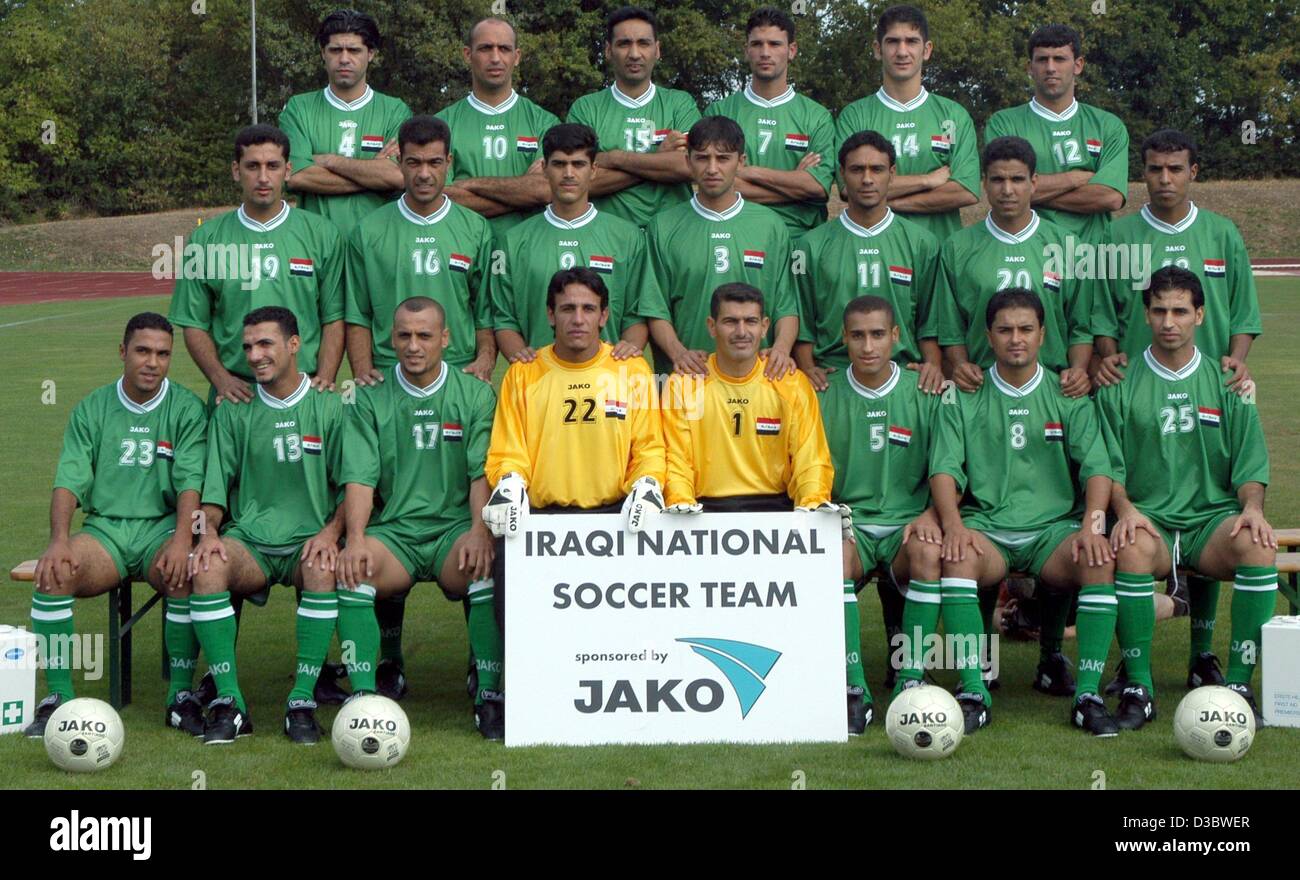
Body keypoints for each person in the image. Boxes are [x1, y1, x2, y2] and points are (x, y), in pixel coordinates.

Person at [930, 289, 1119, 736]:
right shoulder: (965, 395)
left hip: (1051, 531)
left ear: (1042, 334)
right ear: (989, 336)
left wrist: (1093, 524)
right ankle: (974, 689)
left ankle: (1086, 694)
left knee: (1098, 557)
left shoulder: (1068, 393)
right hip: (988, 527)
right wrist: (953, 525)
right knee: (956, 556)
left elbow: (1097, 468)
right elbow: (944, 468)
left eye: (1025, 329)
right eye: (1005, 330)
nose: (1016, 339)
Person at [1098, 266, 1277, 726]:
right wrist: (1125, 509)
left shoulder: (1230, 381)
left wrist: (1253, 509)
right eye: (1159, 310)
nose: (1168, 322)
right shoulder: (1120, 382)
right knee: (1132, 545)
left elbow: (1249, 463)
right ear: (1146, 315)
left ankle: (1238, 684)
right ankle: (1139, 687)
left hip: (1209, 522)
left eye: (1180, 310)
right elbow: (1107, 465)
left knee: (1257, 545)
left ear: (1199, 314)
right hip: (1150, 519)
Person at [24, 314, 208, 738]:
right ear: (123, 352)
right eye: (143, 351)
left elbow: (190, 482)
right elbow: (69, 480)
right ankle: (58, 699)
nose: (152, 362)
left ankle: (179, 696)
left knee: (181, 572)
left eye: (163, 354)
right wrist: (59, 540)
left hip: (160, 531)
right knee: (53, 575)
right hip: (105, 532)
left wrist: (183, 540)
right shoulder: (92, 408)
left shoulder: (186, 408)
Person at [336, 298, 504, 738]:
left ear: (445, 339)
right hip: (395, 534)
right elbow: (360, 478)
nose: (413, 346)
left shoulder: (475, 393)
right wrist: (355, 538)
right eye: (404, 335)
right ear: (390, 339)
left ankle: (489, 693)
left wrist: (479, 531)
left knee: (487, 568)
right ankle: (363, 698)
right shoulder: (368, 398)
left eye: (424, 335)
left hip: (453, 532)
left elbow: (478, 475)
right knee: (354, 569)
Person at [189, 307, 347, 745]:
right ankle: (229, 702)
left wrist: (331, 533)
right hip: (252, 543)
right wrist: (209, 534)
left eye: (265, 344)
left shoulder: (330, 407)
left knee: (321, 567)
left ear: (294, 345)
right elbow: (214, 496)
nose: (255, 356)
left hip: (307, 541)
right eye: (248, 347)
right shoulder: (233, 410)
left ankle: (301, 702)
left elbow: (350, 489)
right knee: (206, 568)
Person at [483, 268, 667, 629]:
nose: (578, 319)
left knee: (621, 633)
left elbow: (649, 445)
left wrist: (648, 483)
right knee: (527, 628)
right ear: (551, 315)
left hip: (615, 521)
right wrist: (509, 482)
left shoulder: (631, 370)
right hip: (540, 526)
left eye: (588, 309)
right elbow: (508, 449)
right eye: (567, 309)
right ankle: (511, 686)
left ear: (604, 316)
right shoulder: (524, 373)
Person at [818, 296, 944, 727]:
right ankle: (854, 687)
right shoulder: (822, 392)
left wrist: (930, 514)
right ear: (843, 338)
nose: (867, 346)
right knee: (833, 558)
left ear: (895, 336)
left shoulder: (925, 391)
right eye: (857, 336)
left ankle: (911, 678)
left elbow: (947, 467)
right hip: (848, 525)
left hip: (906, 528)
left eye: (877, 335)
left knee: (929, 554)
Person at [169, 125, 344, 409]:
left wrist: (324, 378)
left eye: (272, 166)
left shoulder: (322, 234)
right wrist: (221, 379)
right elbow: (193, 322)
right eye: (253, 166)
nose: (263, 177)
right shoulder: (206, 239)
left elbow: (334, 317)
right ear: (236, 171)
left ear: (287, 171)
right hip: (237, 396)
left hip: (304, 391)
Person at [639, 116, 800, 379]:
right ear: (688, 161)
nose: (712, 168)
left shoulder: (771, 225)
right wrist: (679, 353)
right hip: (689, 378)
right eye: (702, 158)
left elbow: (787, 306)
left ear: (741, 162)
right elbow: (654, 307)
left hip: (756, 378)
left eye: (723, 158)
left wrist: (781, 349)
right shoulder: (663, 226)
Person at [934, 136, 1094, 398]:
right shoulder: (957, 247)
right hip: (983, 388)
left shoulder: (1067, 246)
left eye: (1017, 179)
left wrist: (1078, 370)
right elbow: (951, 329)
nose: (1007, 190)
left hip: (1053, 389)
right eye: (997, 180)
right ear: (984, 183)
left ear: (1034, 182)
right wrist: (961, 365)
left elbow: (1081, 326)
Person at [345, 114, 497, 387]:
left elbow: (484, 311)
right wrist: (361, 368)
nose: (424, 174)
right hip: (389, 373)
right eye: (414, 162)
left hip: (459, 372)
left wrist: (485, 357)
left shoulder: (476, 228)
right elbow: (358, 312)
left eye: (434, 163)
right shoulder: (367, 231)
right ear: (399, 162)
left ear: (448, 163)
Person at [794, 130, 943, 394]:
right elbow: (803, 322)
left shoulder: (923, 243)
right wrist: (807, 367)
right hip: (832, 377)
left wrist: (932, 364)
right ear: (841, 174)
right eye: (856, 170)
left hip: (903, 375)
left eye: (877, 169)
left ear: (892, 173)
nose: (866, 179)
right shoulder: (811, 244)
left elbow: (929, 321)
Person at [491, 123, 653, 363]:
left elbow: (637, 315)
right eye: (559, 164)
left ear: (594, 169)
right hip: (540, 379)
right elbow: (503, 318)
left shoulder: (628, 237)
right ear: (544, 169)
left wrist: (625, 355)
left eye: (578, 164)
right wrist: (523, 361)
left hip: (607, 379)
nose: (568, 174)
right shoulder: (513, 240)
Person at [835, 4, 978, 241]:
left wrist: (880, 200)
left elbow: (965, 191)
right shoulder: (855, 115)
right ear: (877, 49)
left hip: (938, 251)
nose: (902, 51)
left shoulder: (953, 116)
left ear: (927, 49)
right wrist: (927, 180)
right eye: (893, 42)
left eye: (911, 41)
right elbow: (847, 189)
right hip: (873, 251)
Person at [984, 23, 1128, 244]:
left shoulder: (1108, 125)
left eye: (1059, 59)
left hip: (1089, 257)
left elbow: (1110, 197)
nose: (1050, 68)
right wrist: (1075, 178)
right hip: (1027, 252)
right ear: (1029, 67)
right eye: (1042, 59)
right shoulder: (1004, 123)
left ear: (1078, 65)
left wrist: (1029, 194)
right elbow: (1003, 191)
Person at [703, 7, 835, 238]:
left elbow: (817, 188)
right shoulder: (720, 111)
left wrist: (751, 172)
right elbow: (716, 185)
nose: (765, 52)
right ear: (746, 50)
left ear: (791, 50)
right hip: (734, 235)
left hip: (798, 239)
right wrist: (795, 185)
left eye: (774, 44)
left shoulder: (817, 116)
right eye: (757, 44)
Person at [278, 8, 412, 237]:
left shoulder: (395, 111)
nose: (344, 59)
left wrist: (329, 160)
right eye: (335, 50)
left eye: (354, 50)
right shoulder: (299, 109)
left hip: (379, 244)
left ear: (370, 54)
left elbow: (398, 176)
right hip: (314, 244)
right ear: (323, 52)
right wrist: (373, 174)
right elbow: (298, 176)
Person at [567, 6, 703, 228]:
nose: (634, 54)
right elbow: (577, 182)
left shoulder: (680, 103)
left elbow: (689, 167)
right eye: (624, 44)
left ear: (657, 50)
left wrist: (615, 158)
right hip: (606, 237)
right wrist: (658, 160)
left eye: (643, 43)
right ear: (609, 50)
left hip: (672, 234)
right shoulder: (585, 109)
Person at [436, 17, 561, 237]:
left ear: (517, 57)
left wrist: (467, 185)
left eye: (504, 49)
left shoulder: (545, 123)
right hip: (461, 244)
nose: (495, 58)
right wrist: (523, 191)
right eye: (485, 48)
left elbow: (545, 190)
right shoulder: (441, 125)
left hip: (526, 247)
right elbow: (440, 198)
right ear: (468, 54)